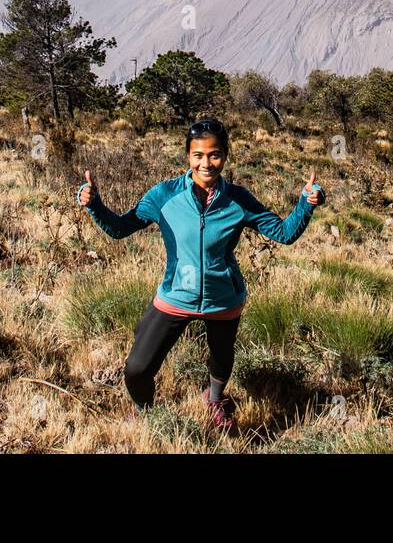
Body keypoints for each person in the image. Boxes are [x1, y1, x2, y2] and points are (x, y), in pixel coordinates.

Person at [76, 117, 324, 430]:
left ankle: (215, 398)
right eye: (198, 155)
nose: (206, 163)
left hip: (223, 297)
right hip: (175, 295)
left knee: (222, 359)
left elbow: (284, 233)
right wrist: (94, 205)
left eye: (214, 154)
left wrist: (306, 203)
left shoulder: (239, 199)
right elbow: (120, 228)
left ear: (225, 155)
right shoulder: (164, 195)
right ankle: (147, 414)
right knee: (137, 369)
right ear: (188, 156)